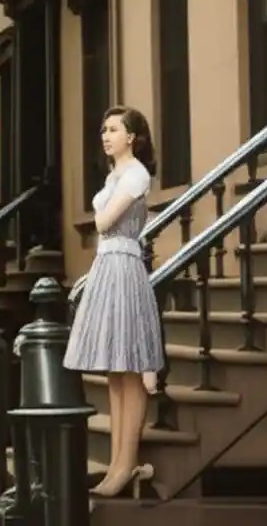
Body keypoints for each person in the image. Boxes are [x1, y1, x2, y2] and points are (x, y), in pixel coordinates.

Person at [64, 105, 165, 499]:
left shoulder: (136, 173)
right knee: (115, 369)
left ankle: (127, 462)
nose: (105, 136)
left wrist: (101, 211)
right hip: (107, 264)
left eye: (113, 129)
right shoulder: (114, 175)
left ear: (132, 137)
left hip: (123, 264)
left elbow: (105, 223)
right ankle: (117, 463)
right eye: (103, 129)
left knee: (131, 366)